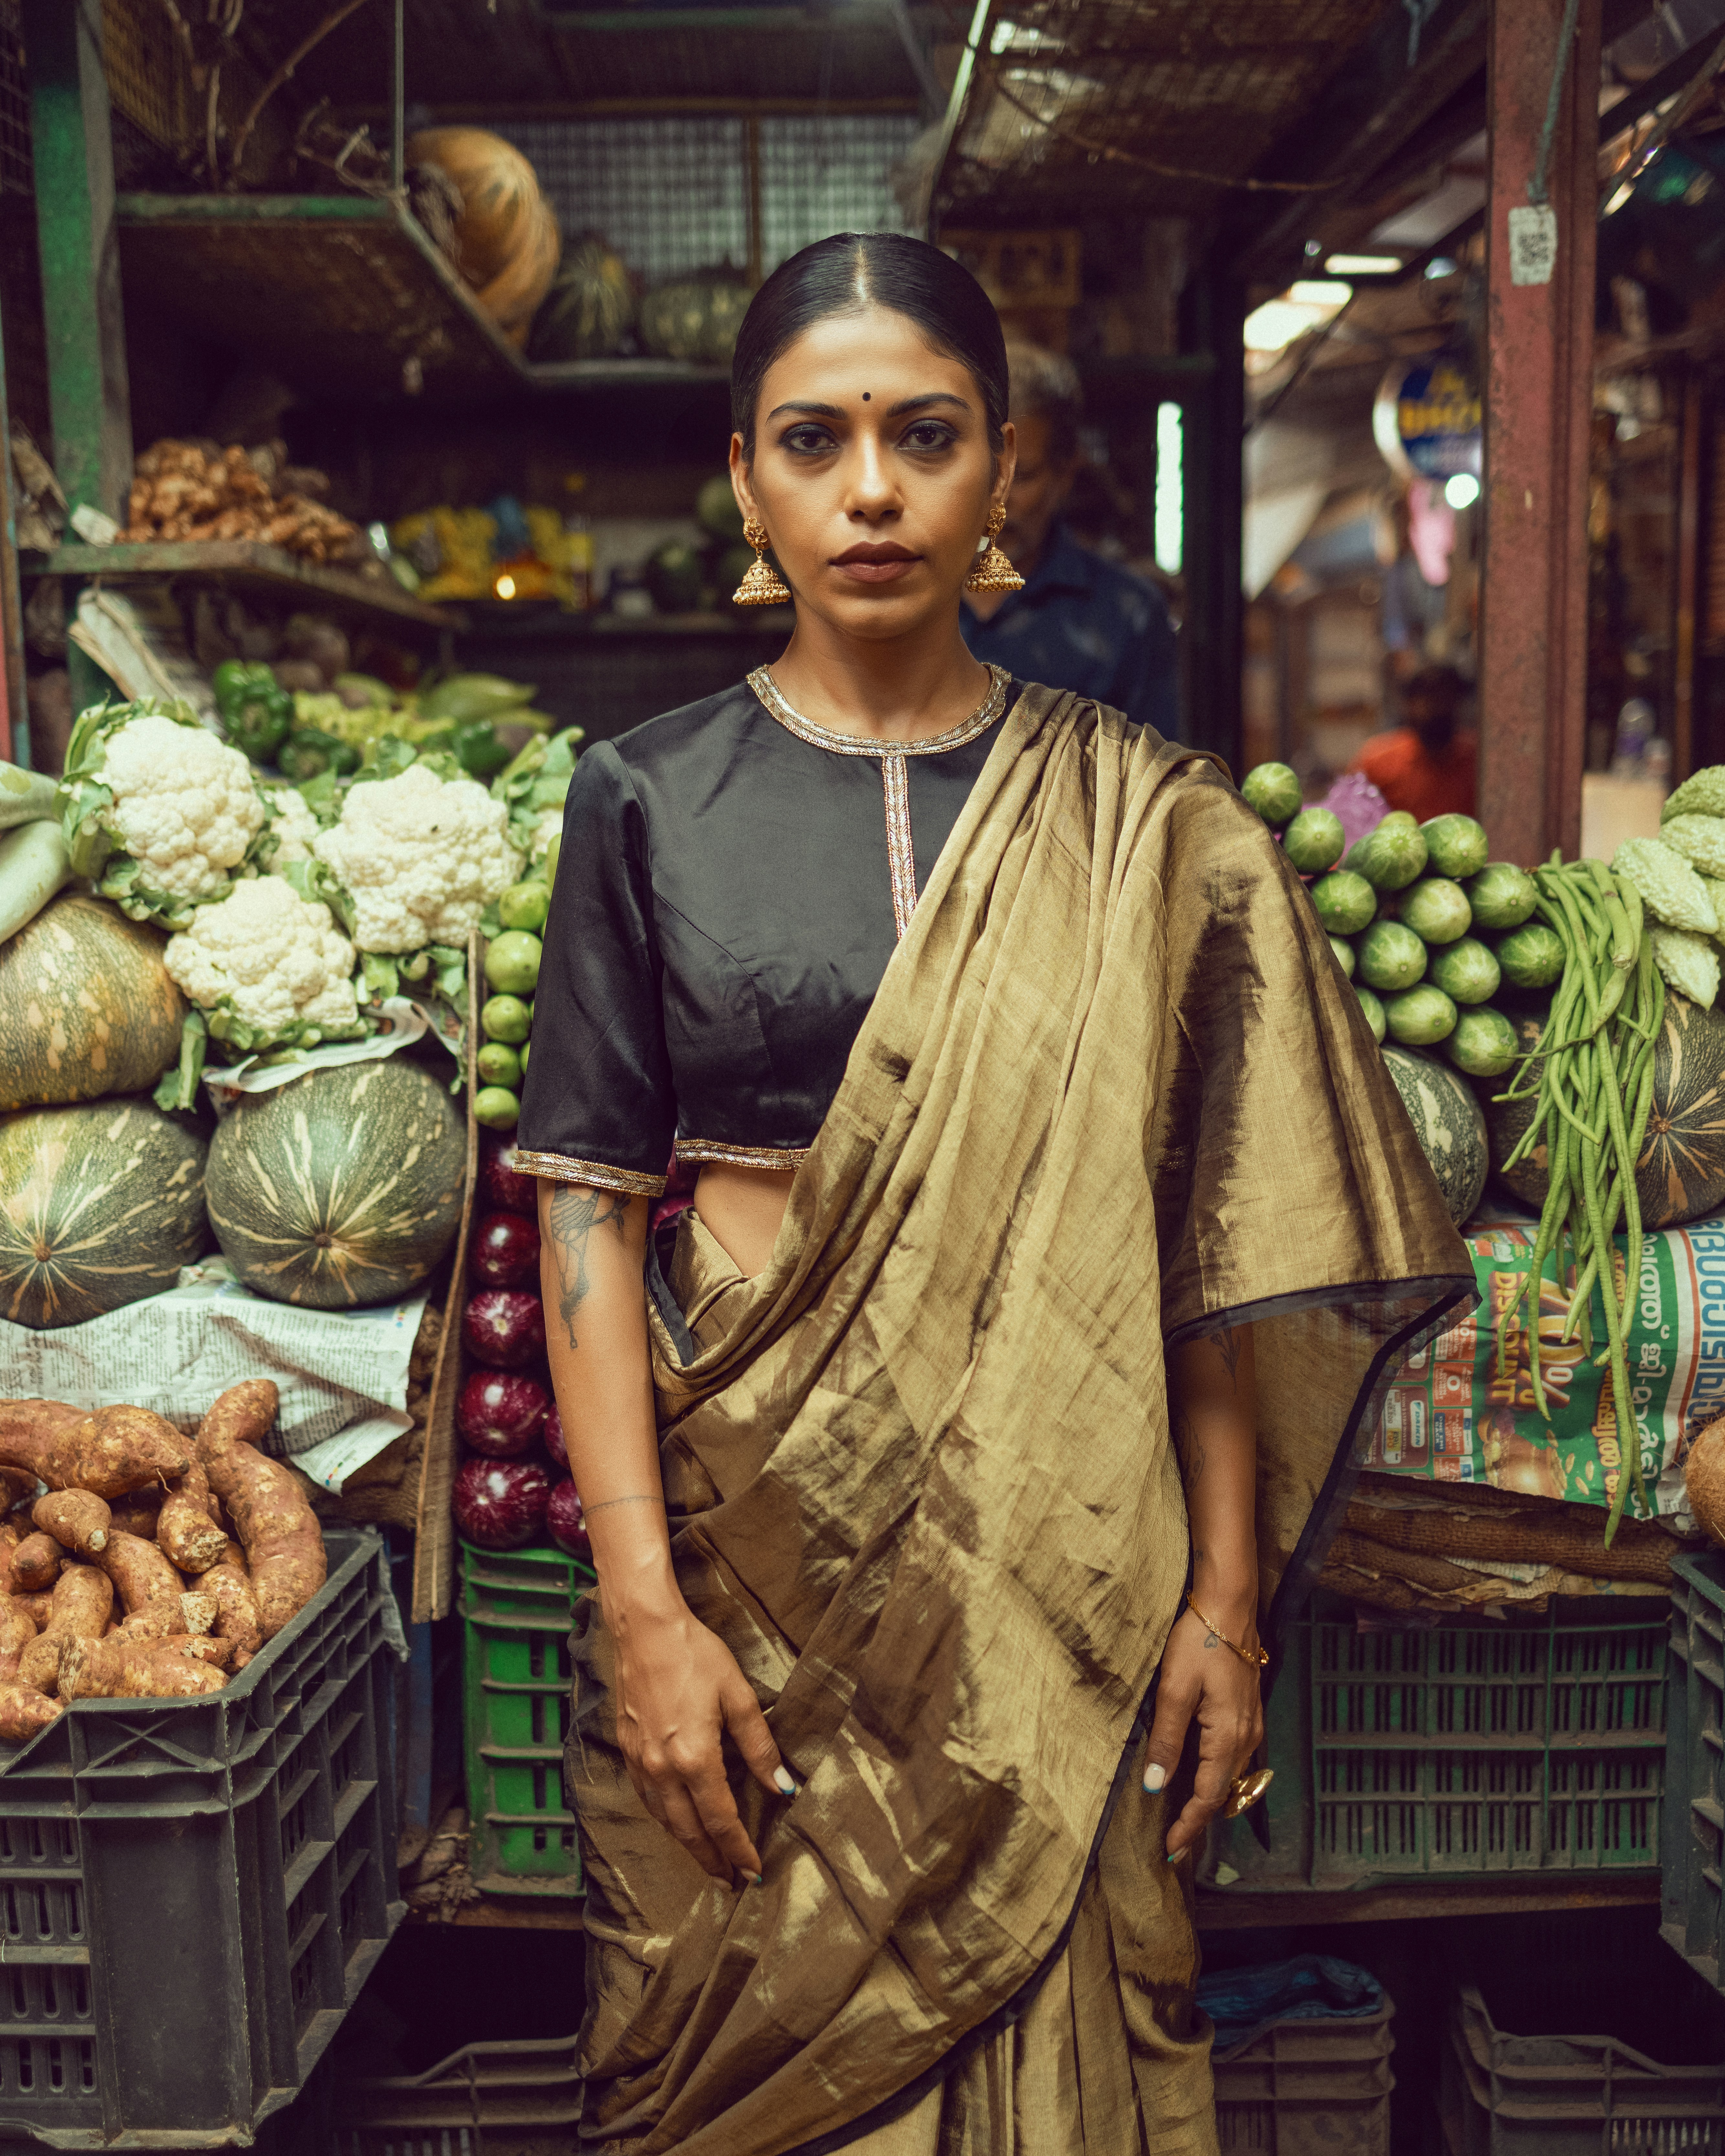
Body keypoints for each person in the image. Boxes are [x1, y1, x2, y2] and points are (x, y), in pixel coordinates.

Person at [516, 231, 1471, 2154]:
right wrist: (642, 1612)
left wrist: (1220, 1603)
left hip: (1065, 1582)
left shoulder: (1149, 816)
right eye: (814, 440)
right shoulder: (642, 797)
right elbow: (586, 1213)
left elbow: (1204, 1250)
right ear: (745, 480)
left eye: (922, 436)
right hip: (746, 1559)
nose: (868, 489)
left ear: (1004, 468)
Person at [960, 341, 1181, 737]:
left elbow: (1153, 787)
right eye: (980, 474)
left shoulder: (1126, 616)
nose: (995, 501)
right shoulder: (896, 593)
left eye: (1021, 477)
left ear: (1064, 474)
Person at [1348, 664, 1477, 820]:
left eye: (1445, 697)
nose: (1438, 708)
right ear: (1409, 705)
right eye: (1428, 699)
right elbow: (1350, 819)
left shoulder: (1478, 760)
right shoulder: (1377, 762)